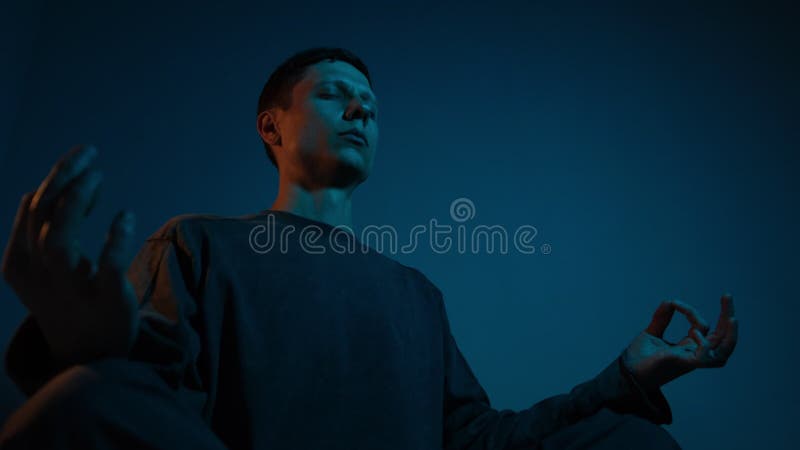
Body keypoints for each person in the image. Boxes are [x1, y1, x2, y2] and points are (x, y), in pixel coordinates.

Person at [0, 47, 737, 449]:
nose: (360, 109)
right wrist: (87, 348)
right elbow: (149, 404)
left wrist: (621, 379)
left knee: (627, 442)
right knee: (88, 399)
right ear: (272, 127)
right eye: (333, 94)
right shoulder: (198, 245)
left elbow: (477, 439)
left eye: (372, 108)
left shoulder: (416, 297)